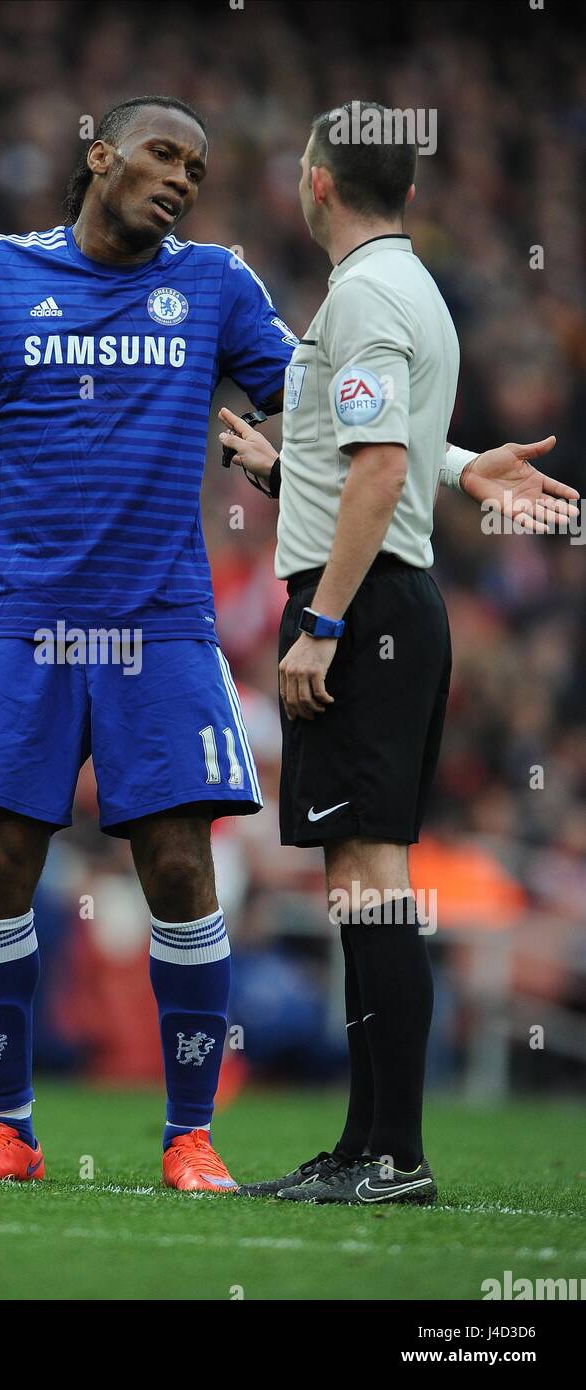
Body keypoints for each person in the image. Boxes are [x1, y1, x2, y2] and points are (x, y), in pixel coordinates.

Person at [0, 95, 571, 1195]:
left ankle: (190, 1136)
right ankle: (8, 1131)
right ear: (99, 155)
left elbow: (333, 421)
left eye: (198, 167)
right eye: (164, 154)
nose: (181, 177)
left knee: (179, 866)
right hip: (23, 623)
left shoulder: (217, 285)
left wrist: (461, 468)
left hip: (162, 627)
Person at [221, 101, 578, 1205]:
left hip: (365, 608)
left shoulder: (365, 293)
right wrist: (284, 471)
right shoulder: (405, 287)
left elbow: (379, 469)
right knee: (360, 884)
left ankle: (394, 1155)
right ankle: (363, 1145)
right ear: (410, 193)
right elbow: (366, 457)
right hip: (385, 597)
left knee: (373, 882)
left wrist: (321, 620)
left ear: (315, 183)